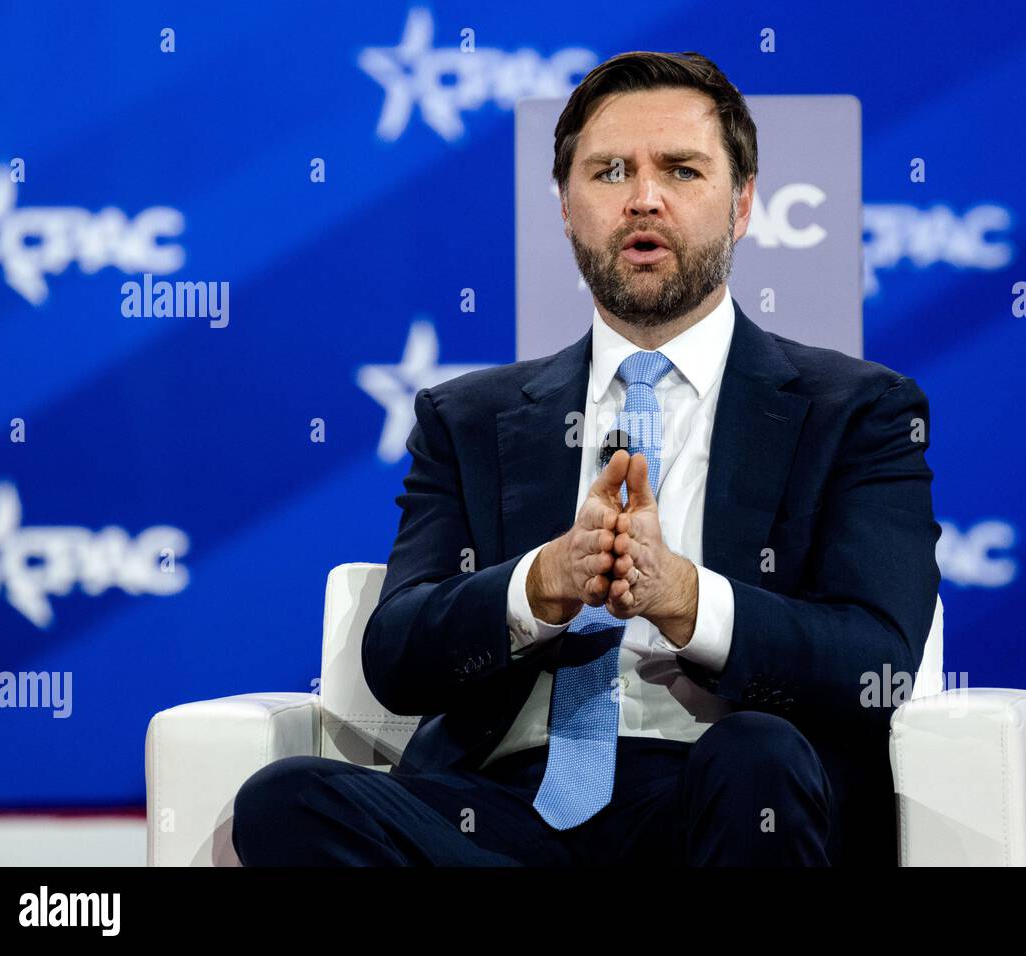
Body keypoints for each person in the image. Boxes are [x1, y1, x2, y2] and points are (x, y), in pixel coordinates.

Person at [232, 50, 940, 867]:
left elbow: (876, 660)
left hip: (722, 804)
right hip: (499, 822)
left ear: (742, 204)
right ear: (566, 208)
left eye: (681, 170)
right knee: (286, 801)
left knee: (758, 758)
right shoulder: (468, 418)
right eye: (609, 172)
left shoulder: (859, 410)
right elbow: (397, 657)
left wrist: (687, 600)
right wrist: (542, 584)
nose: (644, 198)